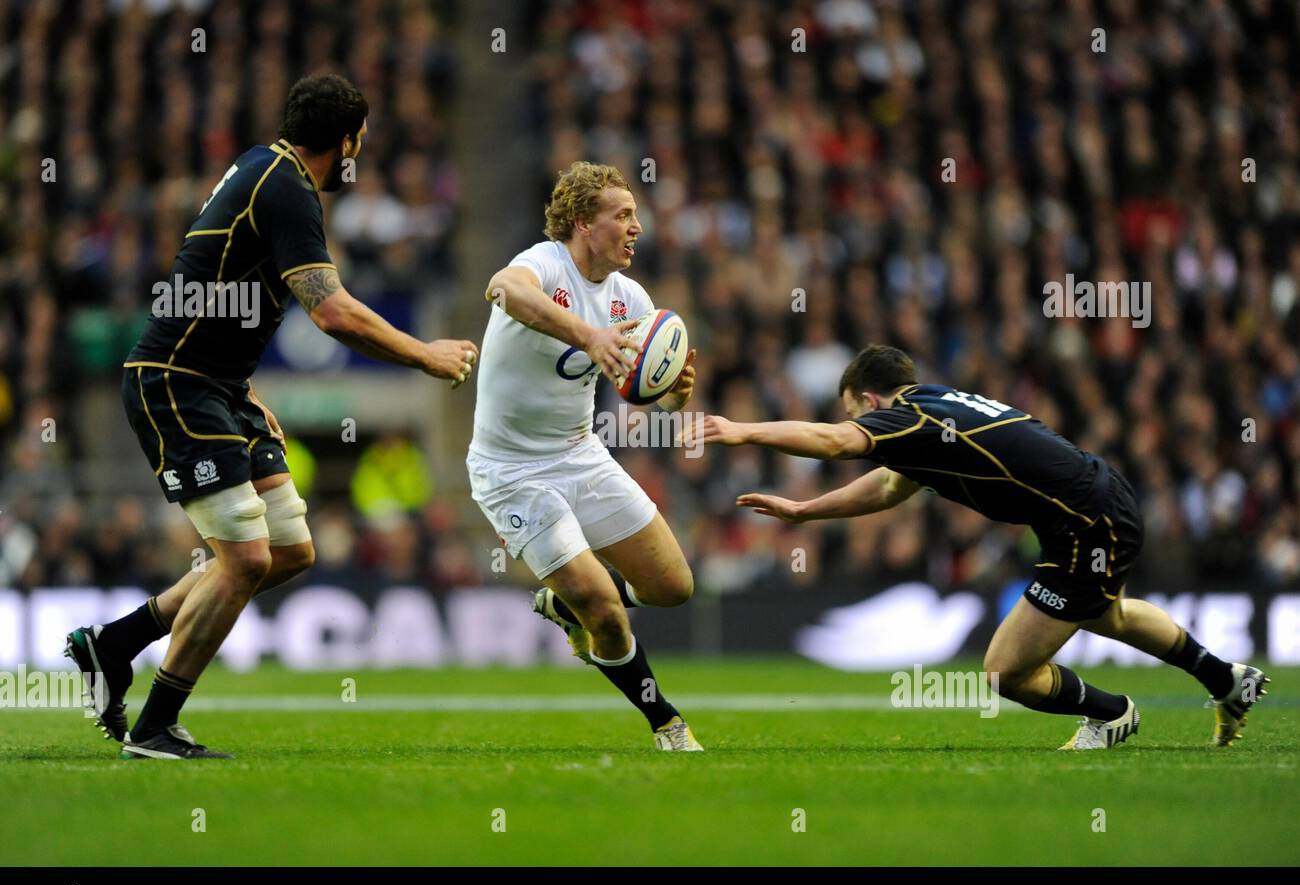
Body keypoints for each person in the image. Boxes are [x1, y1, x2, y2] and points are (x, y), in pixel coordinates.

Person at [66, 74, 479, 759]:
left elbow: (212, 280)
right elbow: (332, 311)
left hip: (219, 384)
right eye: (361, 142)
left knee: (289, 552)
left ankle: (114, 645)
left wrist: (243, 387)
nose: (361, 156)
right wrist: (425, 356)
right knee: (245, 558)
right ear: (344, 141)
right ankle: (156, 726)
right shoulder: (284, 187)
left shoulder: (266, 171)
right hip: (178, 383)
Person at [694, 344, 1268, 750]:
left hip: (1083, 522)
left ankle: (1113, 713)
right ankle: (1225, 679)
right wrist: (805, 511)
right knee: (1107, 615)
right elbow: (892, 485)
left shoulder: (909, 416)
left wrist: (745, 430)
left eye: (855, 412)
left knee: (1004, 672)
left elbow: (835, 442)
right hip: (1095, 504)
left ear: (871, 401)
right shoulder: (939, 406)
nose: (858, 425)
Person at [469, 161, 702, 751]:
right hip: (511, 472)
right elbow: (503, 289)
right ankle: (666, 723)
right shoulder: (545, 263)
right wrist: (588, 334)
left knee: (673, 586)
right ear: (581, 223)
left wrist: (671, 395)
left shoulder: (631, 299)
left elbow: (644, 397)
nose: (636, 228)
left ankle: (560, 604)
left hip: (580, 455)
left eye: (636, 215)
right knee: (602, 606)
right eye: (622, 215)